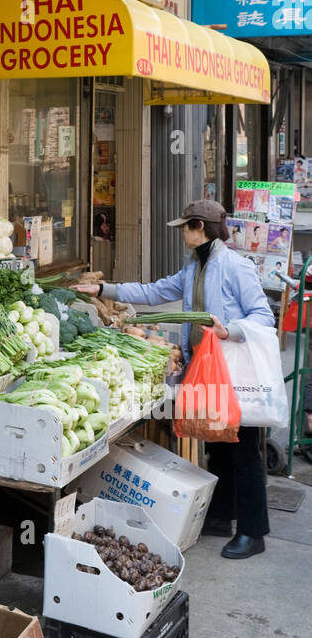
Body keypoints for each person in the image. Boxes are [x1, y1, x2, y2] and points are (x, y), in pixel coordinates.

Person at [77, 200, 276, 559]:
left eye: (185, 226)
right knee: (217, 443)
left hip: (231, 371)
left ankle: (252, 531)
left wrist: (228, 330)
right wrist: (105, 290)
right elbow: (154, 292)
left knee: (244, 448)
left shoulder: (236, 267)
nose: (181, 233)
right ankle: (220, 515)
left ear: (200, 226)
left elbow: (263, 316)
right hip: (205, 369)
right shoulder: (193, 267)